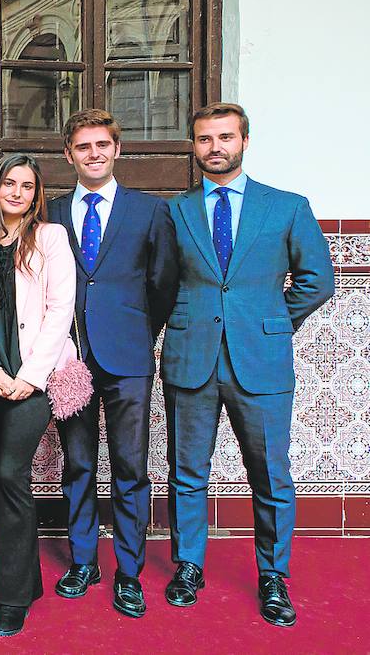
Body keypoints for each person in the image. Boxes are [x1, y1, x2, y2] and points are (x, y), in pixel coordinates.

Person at [163, 102, 334, 627]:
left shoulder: (286, 207)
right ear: (193, 147)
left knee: (271, 476)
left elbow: (317, 280)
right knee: (188, 472)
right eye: (204, 139)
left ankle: (273, 577)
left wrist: (271, 321)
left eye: (225, 137)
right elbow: (158, 281)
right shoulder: (175, 211)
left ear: (244, 141)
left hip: (261, 359)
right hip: (191, 357)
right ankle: (188, 565)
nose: (215, 147)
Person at [48, 109, 178, 617]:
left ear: (117, 150)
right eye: (83, 147)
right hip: (71, 361)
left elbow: (163, 284)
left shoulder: (149, 211)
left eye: (103, 145)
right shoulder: (52, 212)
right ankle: (84, 561)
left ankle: (129, 571)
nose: (94, 154)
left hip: (128, 357)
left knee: (129, 467)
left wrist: (140, 333)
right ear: (69, 155)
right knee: (77, 465)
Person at [0, 154, 76, 637]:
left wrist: (30, 376)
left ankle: (10, 598)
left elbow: (60, 311)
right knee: (2, 478)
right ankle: (25, 582)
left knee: (11, 471)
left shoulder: (50, 239)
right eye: (9, 183)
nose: (17, 192)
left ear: (37, 194)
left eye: (27, 186)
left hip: (37, 376)